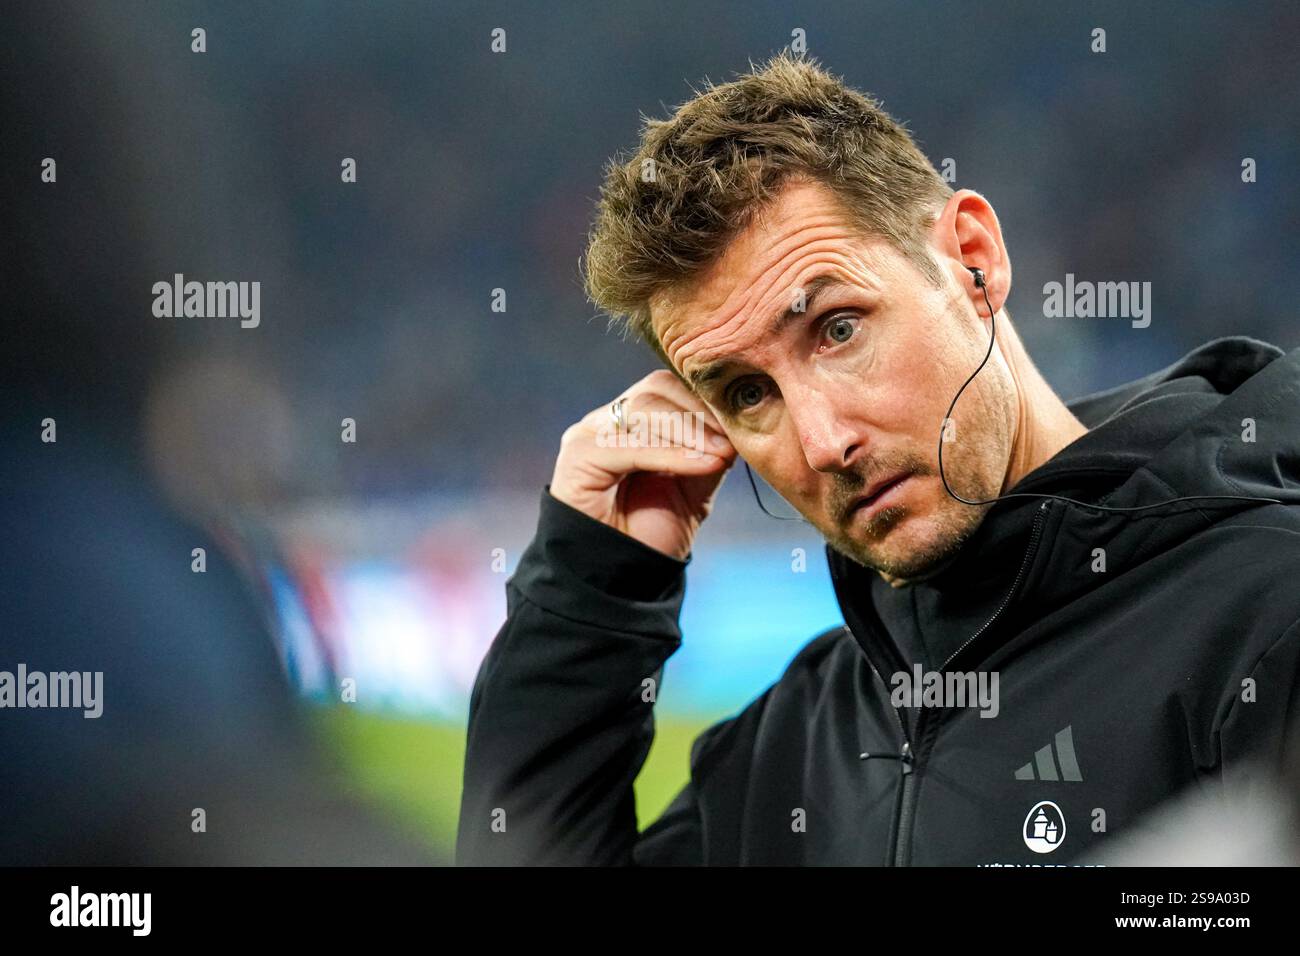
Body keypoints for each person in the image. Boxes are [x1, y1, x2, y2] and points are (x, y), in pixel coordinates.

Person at [455, 52, 1300, 865]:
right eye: (747, 394)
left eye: (838, 329)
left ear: (973, 258)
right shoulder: (792, 752)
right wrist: (586, 591)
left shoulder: (1267, 619)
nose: (824, 444)